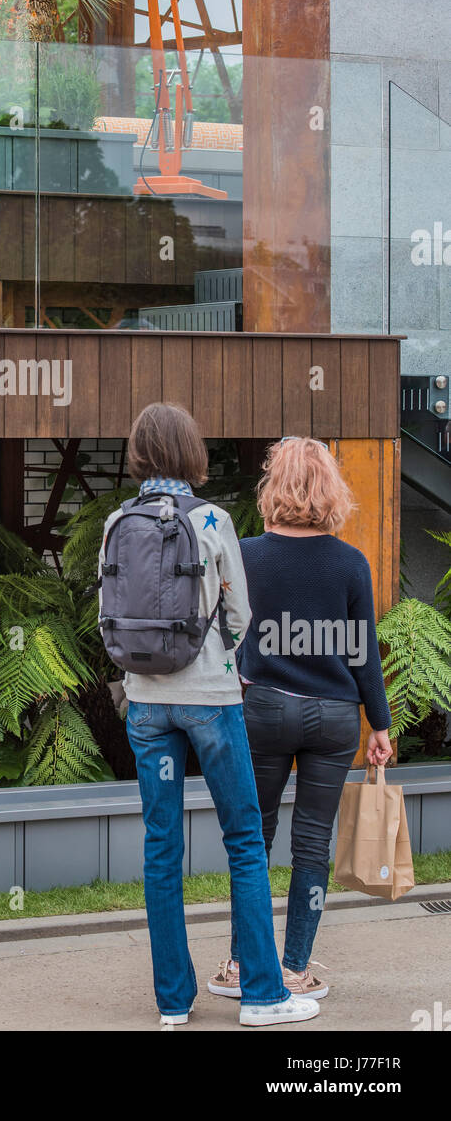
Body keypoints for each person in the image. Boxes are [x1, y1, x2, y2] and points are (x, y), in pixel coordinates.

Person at [115, 404, 319, 1028]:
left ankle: (173, 1003)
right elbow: (239, 616)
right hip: (210, 701)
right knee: (244, 841)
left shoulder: (117, 521)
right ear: (191, 453)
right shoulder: (213, 519)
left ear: (141, 454)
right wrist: (220, 658)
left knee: (160, 849)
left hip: (146, 703)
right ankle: (262, 995)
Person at [209, 437, 393, 1004]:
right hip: (335, 718)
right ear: (330, 491)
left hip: (262, 710)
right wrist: (379, 726)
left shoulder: (244, 555)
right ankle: (293, 969)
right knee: (311, 845)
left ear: (274, 488)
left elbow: (224, 634)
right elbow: (363, 653)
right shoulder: (350, 563)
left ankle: (243, 964)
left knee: (253, 838)